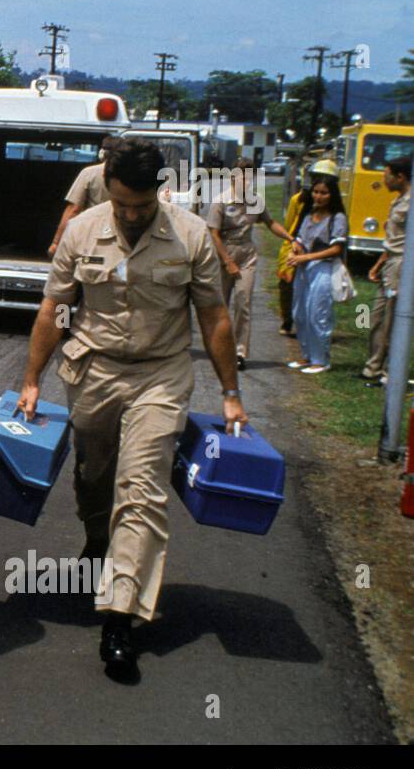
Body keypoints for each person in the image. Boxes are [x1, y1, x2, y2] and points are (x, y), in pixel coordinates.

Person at [17, 138, 246, 684]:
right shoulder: (82, 230)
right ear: (109, 189)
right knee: (94, 476)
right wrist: (30, 379)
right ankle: (98, 541)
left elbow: (213, 318)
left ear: (158, 192)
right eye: (122, 204)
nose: (132, 215)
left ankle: (120, 618)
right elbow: (55, 308)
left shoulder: (189, 236)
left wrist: (231, 393)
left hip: (160, 376)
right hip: (93, 370)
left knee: (141, 489)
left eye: (141, 206)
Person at [206, 159, 295, 369]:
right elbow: (214, 233)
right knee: (221, 306)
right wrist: (227, 261)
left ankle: (239, 352)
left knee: (243, 302)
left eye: (249, 177)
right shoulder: (221, 201)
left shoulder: (256, 201)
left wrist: (291, 238)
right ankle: (218, 347)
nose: (245, 181)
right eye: (241, 176)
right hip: (224, 252)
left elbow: (270, 222)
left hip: (246, 254)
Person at [286, 176, 348, 374]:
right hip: (304, 268)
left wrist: (307, 257)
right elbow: (300, 240)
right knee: (300, 313)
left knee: (317, 314)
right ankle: (306, 355)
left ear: (332, 195)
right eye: (316, 192)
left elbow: (336, 248)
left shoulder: (337, 218)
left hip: (323, 268)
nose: (318, 196)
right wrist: (293, 250)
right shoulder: (308, 215)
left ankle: (321, 359)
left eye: (324, 193)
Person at [362, 156, 411, 382]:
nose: (384, 179)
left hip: (401, 265)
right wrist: (378, 264)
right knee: (376, 318)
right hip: (389, 261)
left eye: (387, 175)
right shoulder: (398, 201)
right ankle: (372, 367)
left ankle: (389, 372)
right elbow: (393, 240)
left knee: (392, 319)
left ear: (400, 177)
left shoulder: (410, 203)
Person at [277, 159, 339, 336]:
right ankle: (287, 319)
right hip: (294, 247)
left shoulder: (335, 209)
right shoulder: (298, 199)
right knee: (286, 285)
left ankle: (309, 325)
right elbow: (290, 224)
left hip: (318, 253)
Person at [48, 137, 117, 257]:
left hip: (92, 233)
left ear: (102, 154)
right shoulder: (128, 177)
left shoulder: (89, 173)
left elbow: (74, 210)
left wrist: (55, 243)